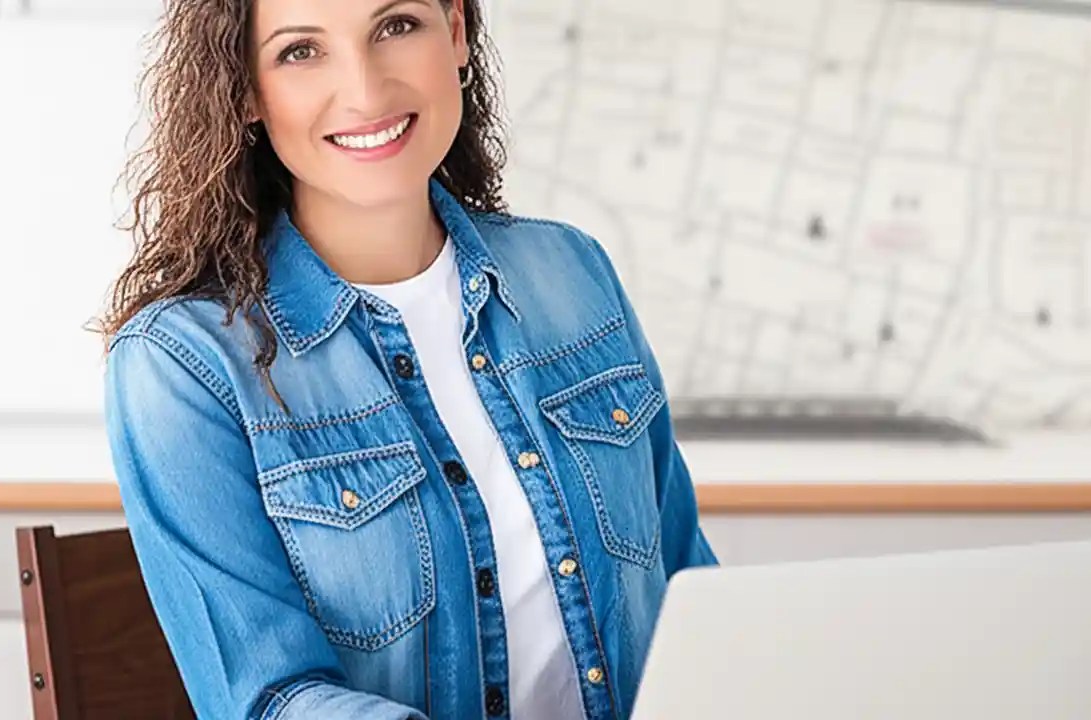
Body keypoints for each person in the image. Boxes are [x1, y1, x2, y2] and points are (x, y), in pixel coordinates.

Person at [97, 0, 718, 718]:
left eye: (396, 27)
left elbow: (688, 592)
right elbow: (264, 701)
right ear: (244, 90)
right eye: (301, 52)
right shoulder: (183, 365)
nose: (364, 90)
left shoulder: (573, 274)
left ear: (455, 33)